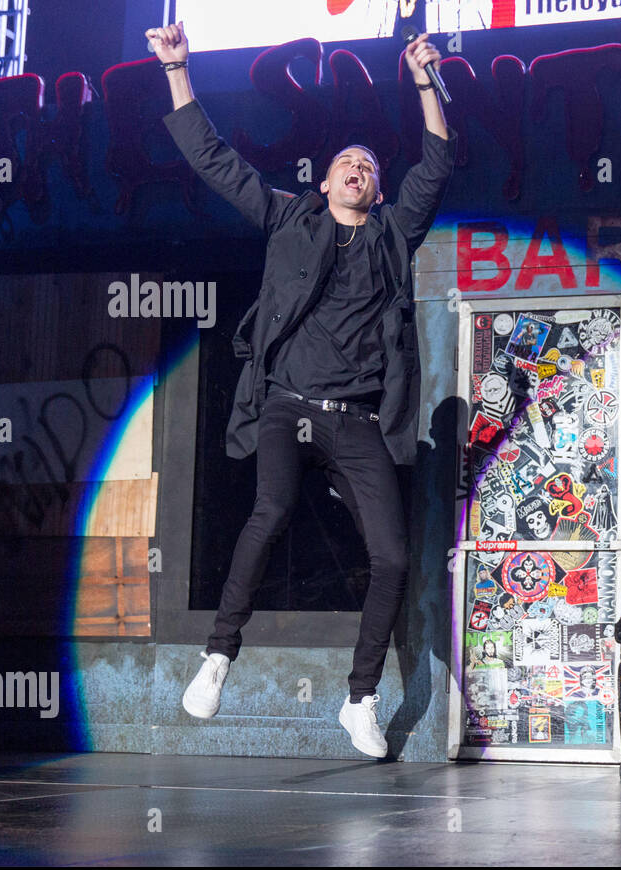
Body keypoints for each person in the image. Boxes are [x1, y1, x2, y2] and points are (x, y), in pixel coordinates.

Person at [145, 20, 457, 758]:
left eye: (369, 165)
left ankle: (360, 698)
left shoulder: (391, 236)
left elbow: (438, 161)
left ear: (377, 189)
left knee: (391, 556)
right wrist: (179, 71)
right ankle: (219, 654)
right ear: (322, 181)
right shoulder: (288, 217)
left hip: (354, 421)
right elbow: (215, 160)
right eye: (346, 161)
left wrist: (425, 82)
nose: (357, 168)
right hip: (286, 405)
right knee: (274, 506)